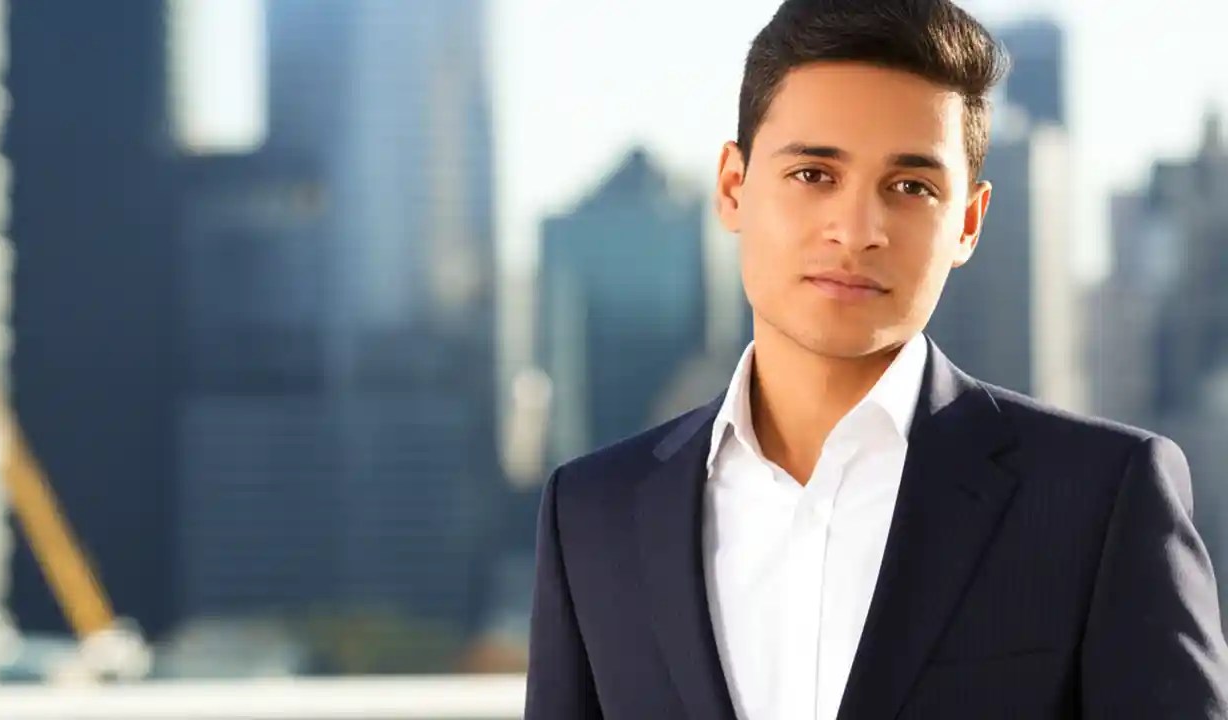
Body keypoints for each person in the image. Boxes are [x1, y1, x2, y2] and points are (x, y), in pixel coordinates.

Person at [523, 0, 1228, 717]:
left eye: (911, 188)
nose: (857, 231)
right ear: (734, 186)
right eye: (813, 175)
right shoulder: (592, 515)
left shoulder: (1100, 502)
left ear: (968, 222)